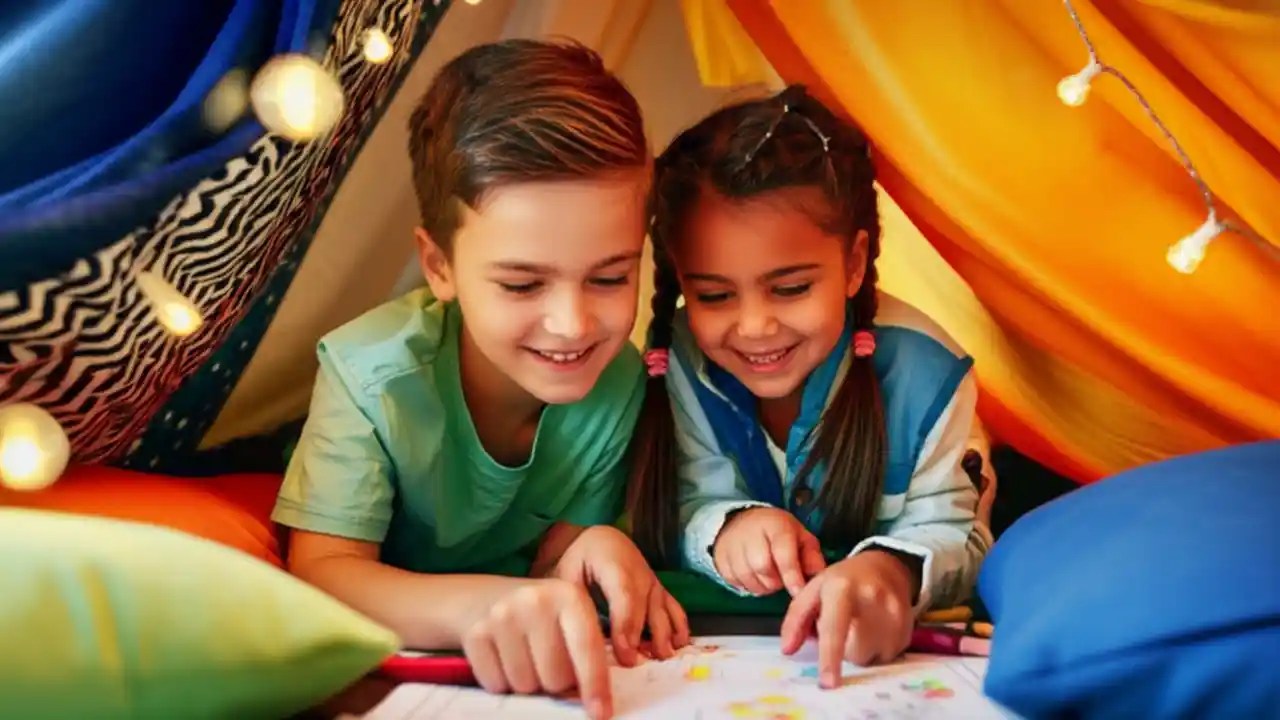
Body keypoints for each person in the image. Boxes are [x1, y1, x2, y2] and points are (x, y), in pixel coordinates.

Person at [273, 39, 688, 719]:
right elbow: (322, 573)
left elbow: (552, 565)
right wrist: (478, 606)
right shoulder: (368, 375)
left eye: (611, 277)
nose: (572, 325)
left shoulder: (617, 385)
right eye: (522, 284)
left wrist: (592, 545)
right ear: (439, 267)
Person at [626, 85, 993, 687]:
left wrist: (889, 571)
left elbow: (958, 530)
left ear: (854, 264)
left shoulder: (927, 373)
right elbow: (682, 500)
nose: (754, 326)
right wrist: (728, 528)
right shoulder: (678, 362)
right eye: (714, 295)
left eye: (791, 288)